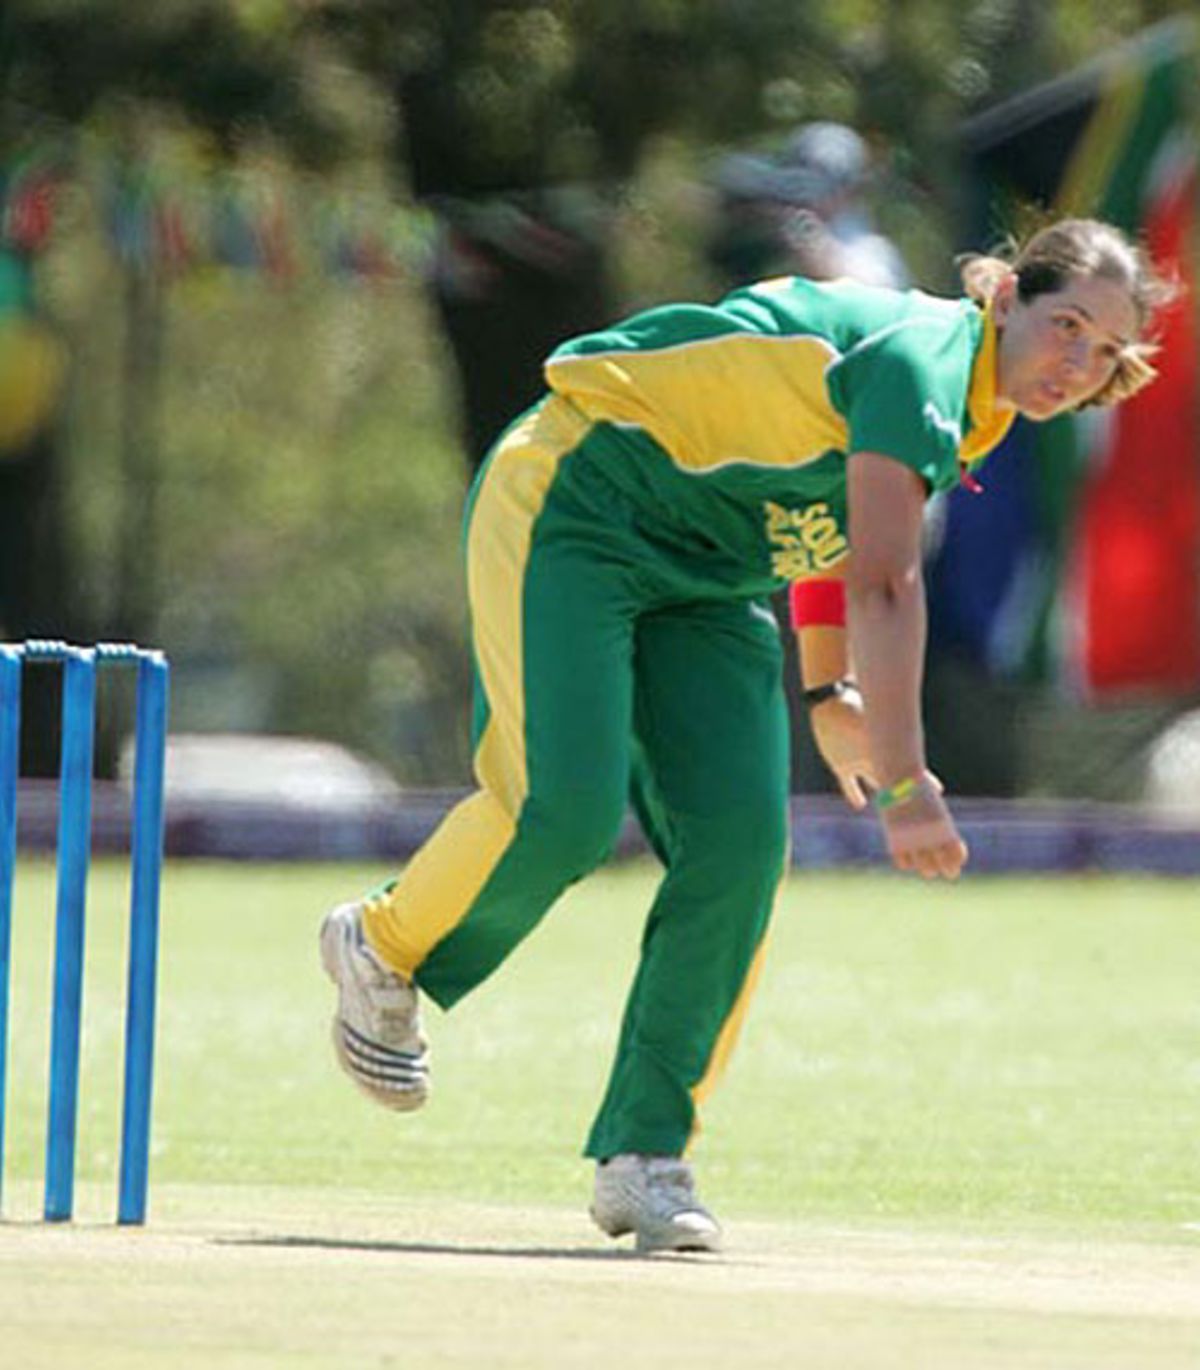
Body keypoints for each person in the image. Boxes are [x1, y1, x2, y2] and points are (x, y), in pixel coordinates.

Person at [319, 217, 1169, 1254]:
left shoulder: (976, 405)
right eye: (1065, 324)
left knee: (738, 848)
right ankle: (382, 942)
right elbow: (886, 578)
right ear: (1004, 299)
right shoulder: (919, 360)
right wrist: (904, 784)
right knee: (566, 809)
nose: (1075, 363)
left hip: (713, 573)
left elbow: (825, 515)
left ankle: (645, 1157)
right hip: (581, 499)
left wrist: (828, 692)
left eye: (1103, 353)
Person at [707, 121, 909, 290]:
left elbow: (872, 296)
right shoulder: (769, 234)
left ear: (850, 191)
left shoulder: (867, 248)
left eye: (829, 186)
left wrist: (815, 250)